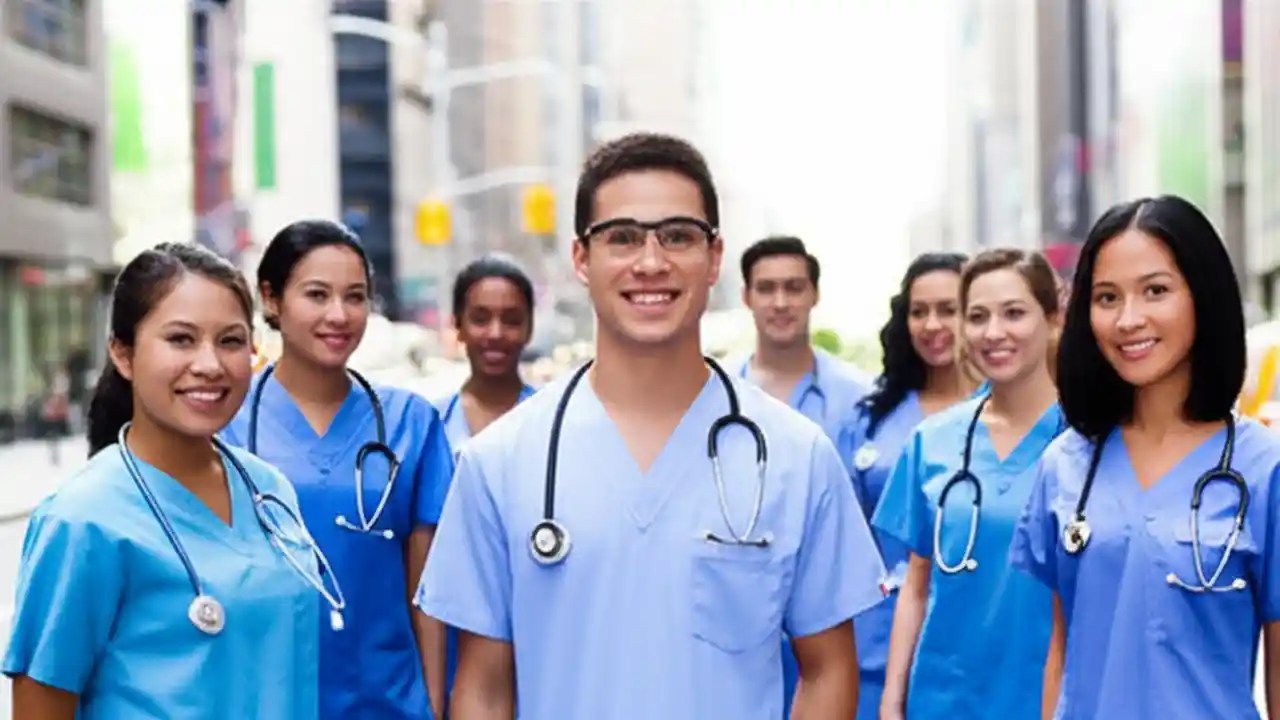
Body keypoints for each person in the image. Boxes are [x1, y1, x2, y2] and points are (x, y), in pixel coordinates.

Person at [416, 132, 886, 720]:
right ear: (581, 259)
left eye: (678, 236)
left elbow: (827, 668)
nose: (651, 261)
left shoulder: (796, 456)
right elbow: (484, 687)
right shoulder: (499, 462)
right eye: (623, 237)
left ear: (714, 258)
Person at [4, 242, 332, 719]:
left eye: (231, 341)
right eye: (181, 339)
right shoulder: (83, 519)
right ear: (123, 353)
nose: (210, 365)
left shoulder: (269, 491)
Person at [1011, 195, 1280, 719]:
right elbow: (1061, 651)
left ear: (1202, 295)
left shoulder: (1263, 468)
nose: (1129, 319)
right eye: (1107, 297)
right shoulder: (1065, 465)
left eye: (1155, 291)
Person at [221, 220, 454, 719]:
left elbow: (428, 590)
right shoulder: (226, 424)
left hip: (388, 703)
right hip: (261, 701)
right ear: (272, 298)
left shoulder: (410, 423)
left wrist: (434, 704)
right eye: (317, 295)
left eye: (355, 297)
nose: (339, 315)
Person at [874, 248, 1063, 719]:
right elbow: (915, 584)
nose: (994, 332)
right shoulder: (932, 442)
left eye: (1014, 313)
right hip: (941, 700)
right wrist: (891, 703)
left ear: (1053, 319)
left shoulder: (1092, 443)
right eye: (977, 316)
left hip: (1048, 700)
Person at [839, 251, 976, 719]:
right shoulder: (872, 417)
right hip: (872, 643)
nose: (932, 324)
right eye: (919, 311)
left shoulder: (1008, 417)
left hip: (970, 639)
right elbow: (839, 533)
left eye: (948, 309)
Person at [736, 235, 873, 441]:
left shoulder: (859, 396)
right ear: (746, 297)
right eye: (766, 289)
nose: (780, 303)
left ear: (815, 294)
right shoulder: (717, 390)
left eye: (794, 288)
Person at [434, 253, 538, 458]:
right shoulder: (433, 425)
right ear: (458, 325)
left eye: (511, 320)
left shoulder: (552, 419)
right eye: (480, 319)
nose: (495, 334)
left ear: (530, 328)